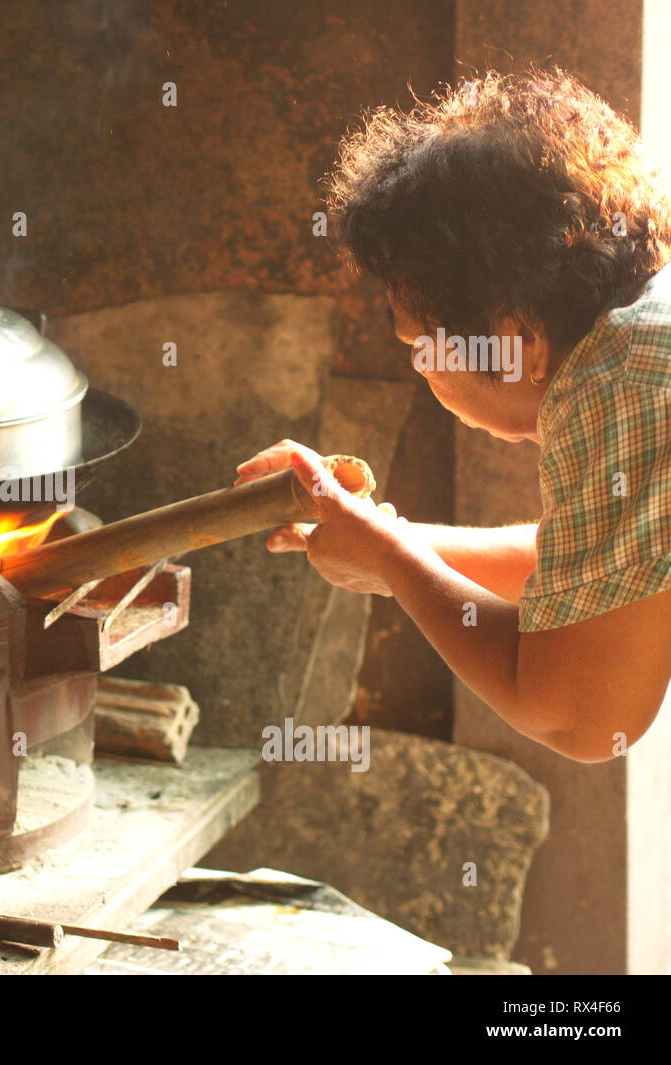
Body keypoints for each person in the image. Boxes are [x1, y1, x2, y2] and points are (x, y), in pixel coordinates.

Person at [236, 70, 670, 762]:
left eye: (420, 346)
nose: (420, 367)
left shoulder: (618, 381)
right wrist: (389, 540)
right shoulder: (647, 336)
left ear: (514, 338)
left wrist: (390, 560)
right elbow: (595, 571)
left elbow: (581, 716)